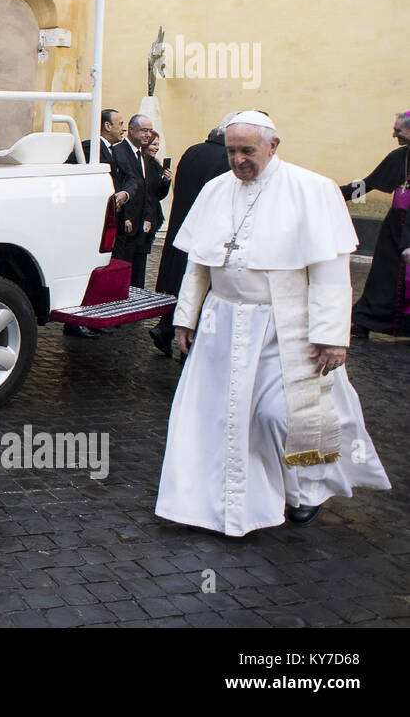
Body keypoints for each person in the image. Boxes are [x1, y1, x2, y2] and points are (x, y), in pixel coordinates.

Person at [155, 112, 389, 536]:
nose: (239, 161)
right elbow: (198, 264)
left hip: (286, 324)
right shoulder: (215, 189)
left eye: (248, 151)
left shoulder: (312, 190)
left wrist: (333, 337)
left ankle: (308, 490)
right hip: (222, 323)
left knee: (285, 416)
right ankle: (220, 503)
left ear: (273, 146)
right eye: (232, 151)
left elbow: (331, 274)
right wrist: (185, 319)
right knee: (218, 417)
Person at [149, 115, 235, 356]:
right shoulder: (228, 160)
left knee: (176, 279)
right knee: (200, 282)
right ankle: (188, 340)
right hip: (206, 228)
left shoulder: (192, 151)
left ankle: (165, 326)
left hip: (180, 223)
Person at [64, 108, 142, 338]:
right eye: (119, 123)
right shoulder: (90, 148)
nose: (123, 128)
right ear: (107, 126)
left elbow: (131, 179)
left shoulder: (116, 152)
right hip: (89, 221)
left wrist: (124, 194)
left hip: (107, 220)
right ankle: (76, 321)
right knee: (85, 269)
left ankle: (93, 317)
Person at [340, 110, 410, 338]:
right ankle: (364, 320)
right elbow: (368, 185)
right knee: (384, 277)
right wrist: (333, 194)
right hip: (395, 228)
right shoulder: (399, 156)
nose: (393, 134)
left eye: (397, 130)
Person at [110, 114, 154, 271]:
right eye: (144, 130)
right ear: (131, 129)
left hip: (140, 227)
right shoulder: (118, 151)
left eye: (150, 131)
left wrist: (148, 216)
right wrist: (126, 216)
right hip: (125, 225)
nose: (148, 134)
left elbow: (146, 188)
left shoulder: (142, 154)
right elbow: (119, 184)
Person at [130, 130, 172, 289]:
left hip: (151, 215)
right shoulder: (142, 164)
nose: (156, 148)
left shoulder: (154, 165)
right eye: (154, 144)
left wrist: (166, 182)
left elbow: (157, 194)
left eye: (157, 145)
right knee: (137, 258)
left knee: (142, 257)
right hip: (142, 217)